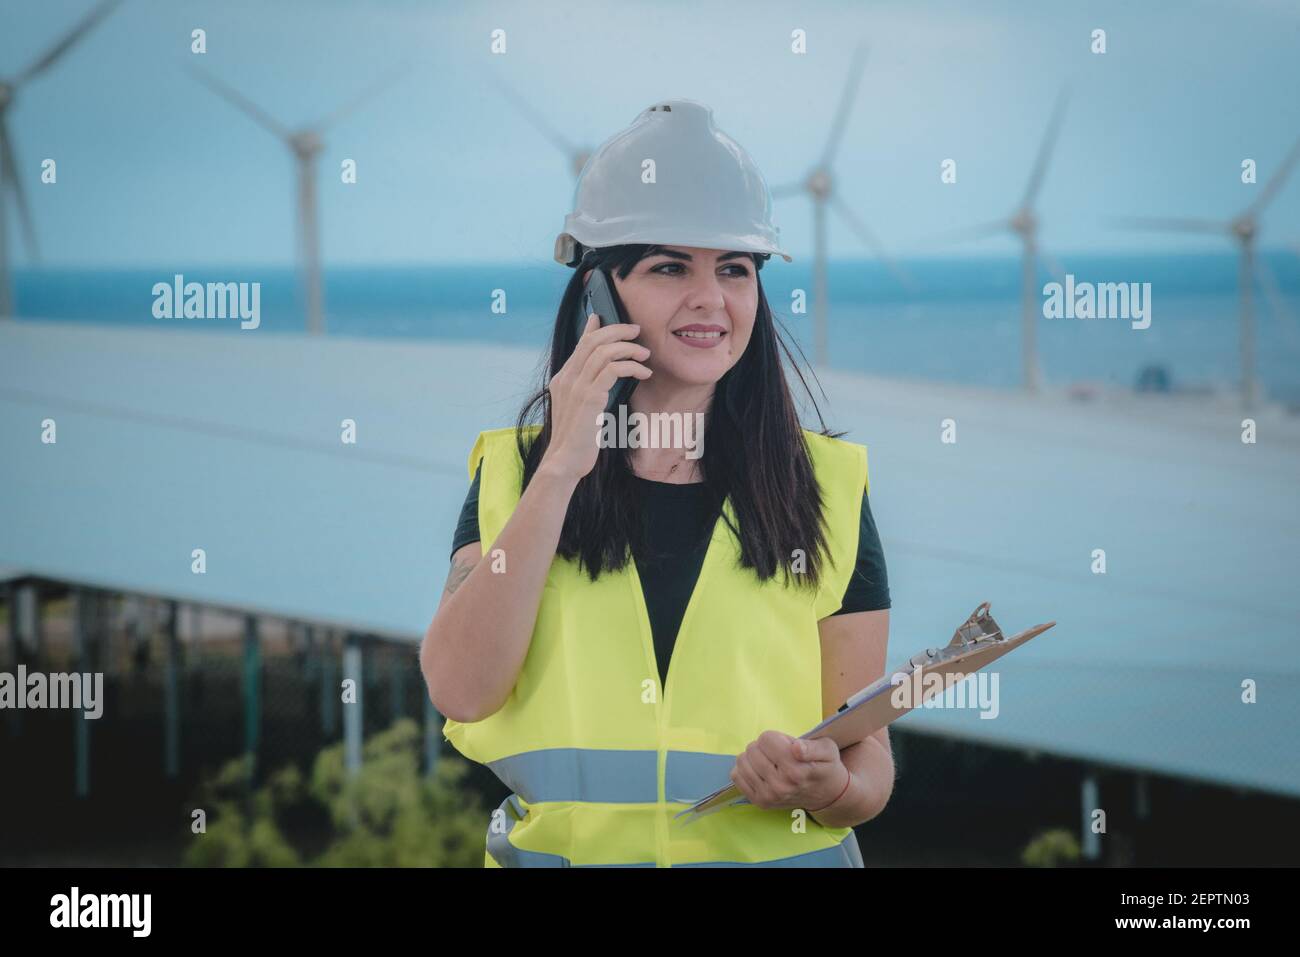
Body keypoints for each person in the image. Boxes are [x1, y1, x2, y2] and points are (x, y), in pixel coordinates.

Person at [420, 99, 894, 867]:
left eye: (734, 269)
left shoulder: (828, 487)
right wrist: (565, 462)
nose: (711, 299)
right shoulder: (514, 474)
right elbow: (461, 688)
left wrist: (827, 783)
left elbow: (869, 762)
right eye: (671, 266)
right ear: (599, 295)